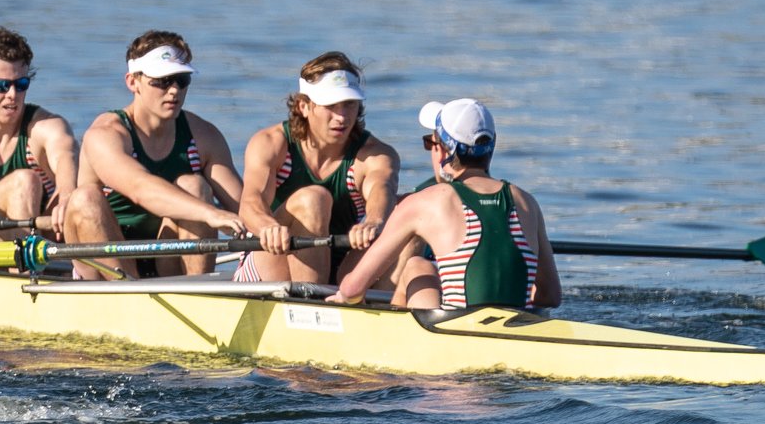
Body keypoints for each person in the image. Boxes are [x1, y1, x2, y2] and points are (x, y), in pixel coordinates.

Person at [328, 98, 560, 311]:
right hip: (517, 327)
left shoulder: (424, 202)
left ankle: (395, 336)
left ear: (442, 150)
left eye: (431, 143)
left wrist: (344, 297)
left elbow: (352, 289)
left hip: (454, 333)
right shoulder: (526, 201)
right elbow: (550, 296)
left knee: (417, 266)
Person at [0, 27, 114, 275]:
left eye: (21, 84)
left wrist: (67, 195)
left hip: (35, 244)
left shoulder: (47, 126)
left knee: (83, 198)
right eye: (0, 85)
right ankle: (24, 280)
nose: (12, 95)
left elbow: (66, 159)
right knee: (24, 181)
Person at [75, 32, 246, 278]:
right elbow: (140, 188)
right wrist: (211, 213)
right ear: (133, 82)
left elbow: (245, 208)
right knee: (84, 198)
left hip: (165, 262)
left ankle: (196, 293)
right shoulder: (105, 135)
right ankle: (124, 294)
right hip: (107, 263)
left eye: (181, 79)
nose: (174, 90)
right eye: (162, 81)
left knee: (194, 185)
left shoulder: (204, 136)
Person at [236, 52, 399, 284]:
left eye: (349, 104)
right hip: (273, 263)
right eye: (331, 106)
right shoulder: (271, 143)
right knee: (314, 198)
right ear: (304, 106)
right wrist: (269, 227)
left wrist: (373, 221)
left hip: (343, 269)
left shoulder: (375, 154)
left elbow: (381, 189)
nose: (342, 117)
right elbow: (251, 204)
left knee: (409, 207)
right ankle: (311, 305)